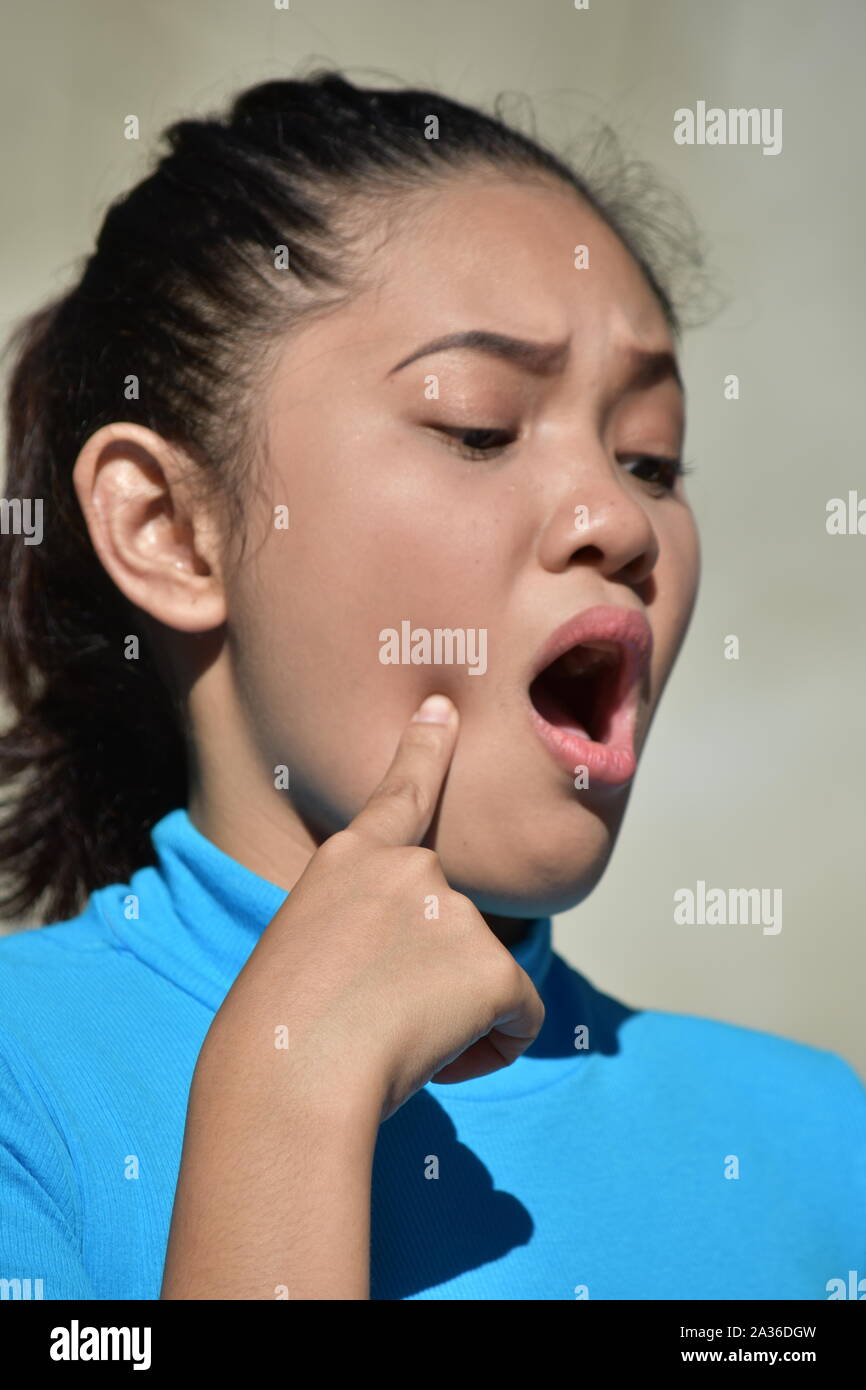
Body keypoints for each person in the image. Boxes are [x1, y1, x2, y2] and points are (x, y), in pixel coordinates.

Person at [0, 68, 863, 1302]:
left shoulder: (818, 1143)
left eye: (650, 457)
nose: (618, 517)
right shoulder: (21, 1088)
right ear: (171, 530)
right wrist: (287, 1100)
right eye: (478, 425)